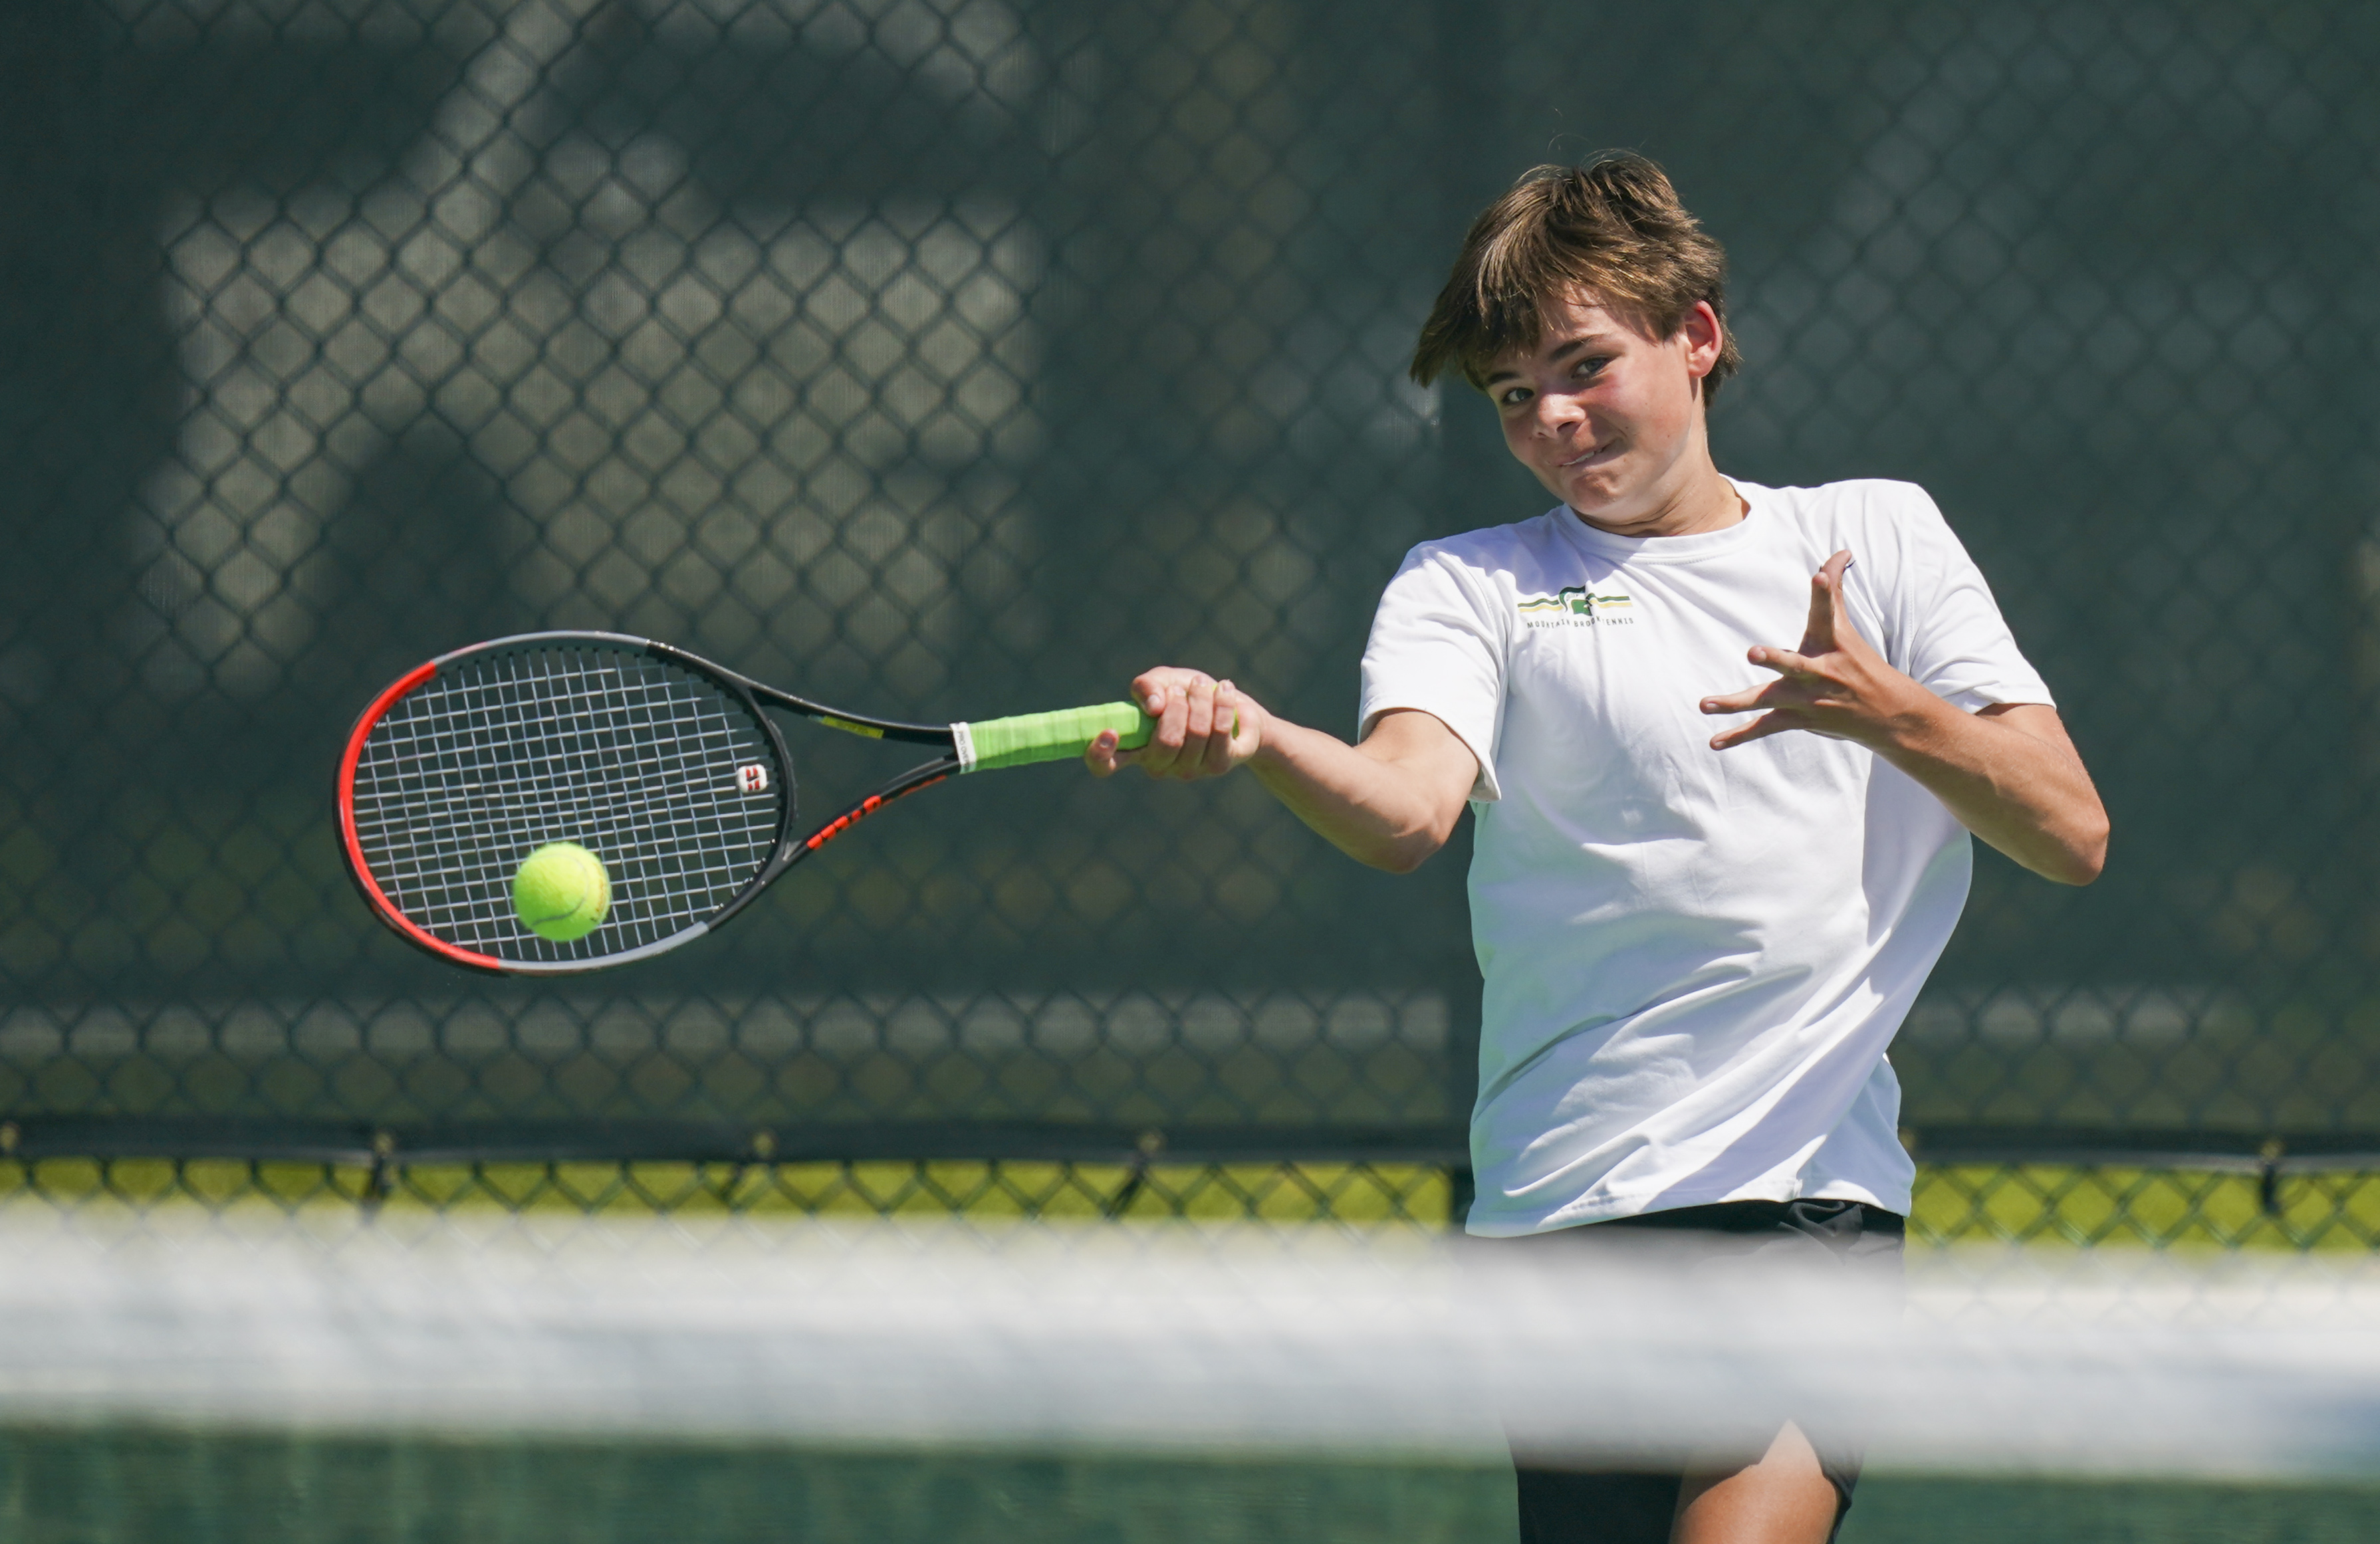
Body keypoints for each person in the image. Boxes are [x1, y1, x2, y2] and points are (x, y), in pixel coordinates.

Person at [1084, 155, 2106, 1544]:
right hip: (1560, 1215)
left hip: (1802, 1200)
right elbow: (1403, 808)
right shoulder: (1468, 585)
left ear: (1694, 333)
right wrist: (1259, 738)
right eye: (1513, 396)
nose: (1554, 418)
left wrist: (1889, 711)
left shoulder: (1874, 537)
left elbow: (2067, 828)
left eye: (1583, 365)